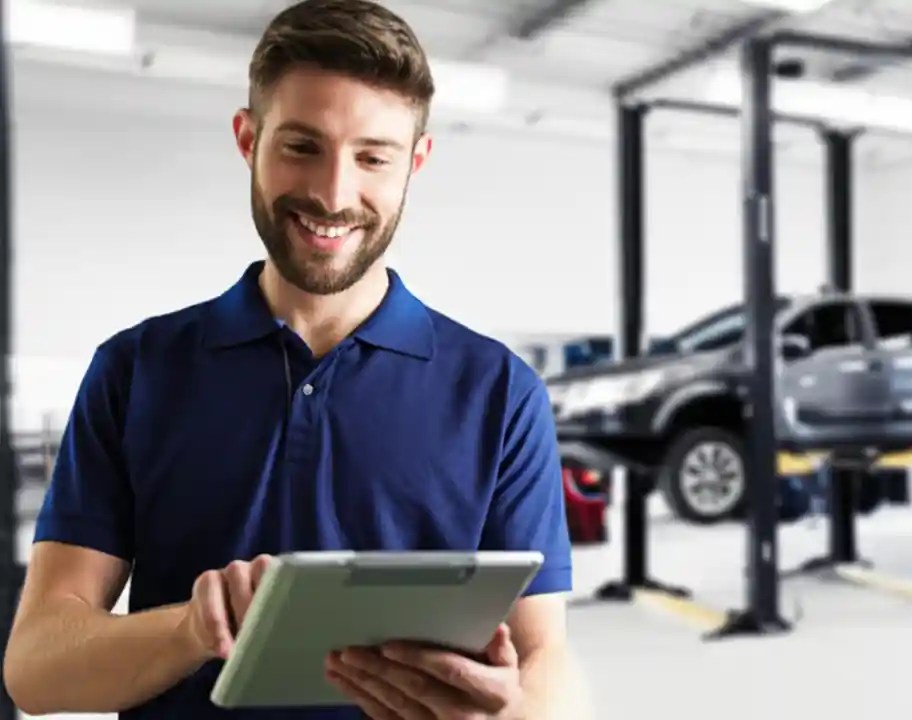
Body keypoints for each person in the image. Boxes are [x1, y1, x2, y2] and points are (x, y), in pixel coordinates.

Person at [2, 1, 590, 718]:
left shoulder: (500, 392)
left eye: (372, 157)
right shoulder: (136, 370)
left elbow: (547, 664)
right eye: (302, 146)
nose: (333, 194)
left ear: (415, 163)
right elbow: (37, 670)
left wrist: (505, 712)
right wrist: (194, 630)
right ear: (248, 139)